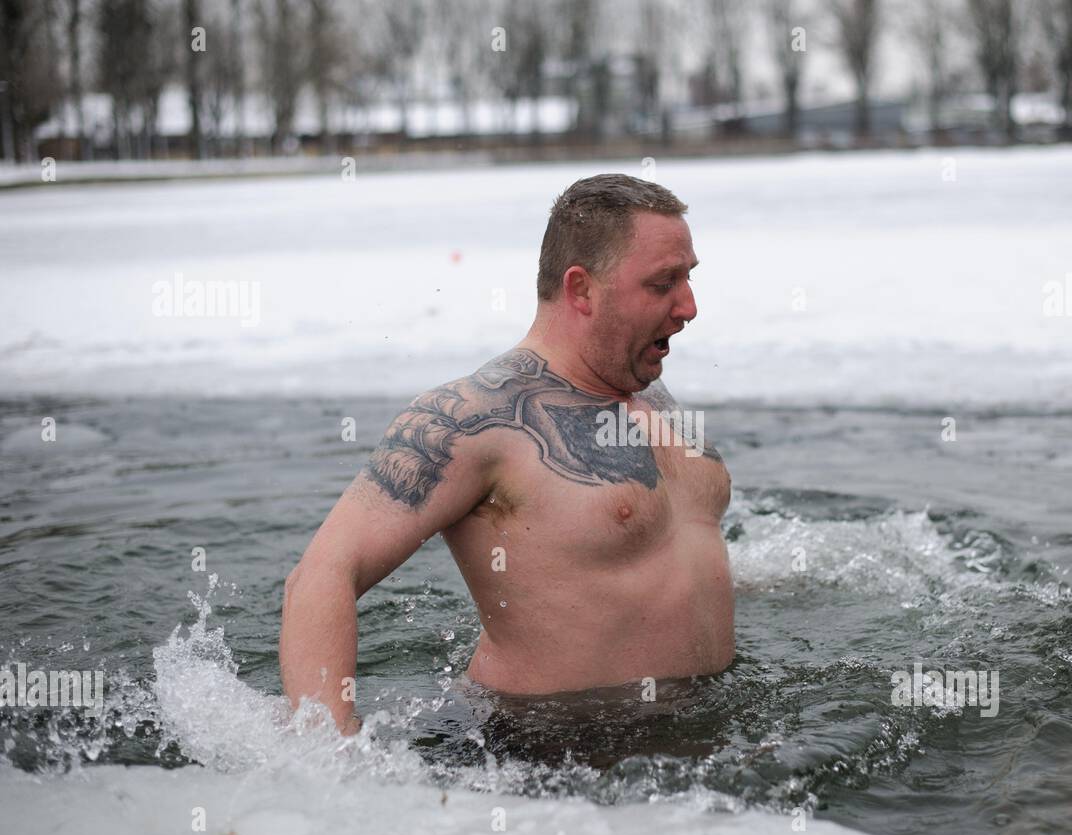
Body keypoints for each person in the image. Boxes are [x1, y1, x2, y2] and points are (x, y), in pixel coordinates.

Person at [279, 173, 735, 734]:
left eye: (688, 278)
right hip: (555, 750)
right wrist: (332, 759)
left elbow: (669, 550)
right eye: (663, 283)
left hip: (712, 719)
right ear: (581, 289)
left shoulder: (649, 393)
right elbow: (323, 573)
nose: (689, 307)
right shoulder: (473, 419)